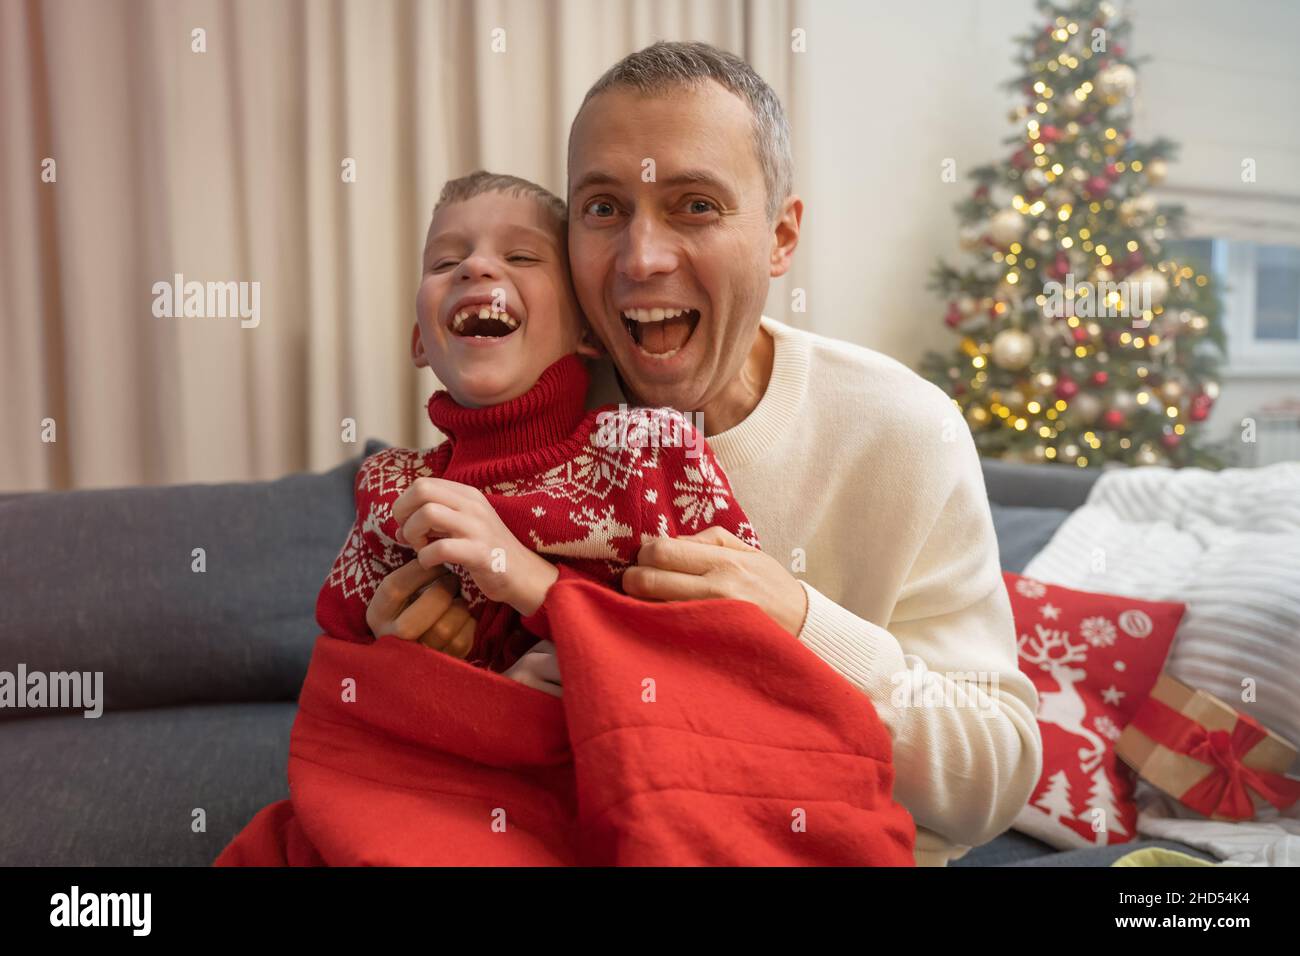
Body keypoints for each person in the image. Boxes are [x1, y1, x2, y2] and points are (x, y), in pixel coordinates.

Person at [367, 42, 1043, 867]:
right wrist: (422, 655)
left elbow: (996, 776)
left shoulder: (903, 429)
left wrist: (798, 625)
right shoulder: (532, 405)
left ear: (780, 236)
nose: (641, 258)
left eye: (694, 205)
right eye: (603, 209)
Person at [315, 169, 759, 679]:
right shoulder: (388, 488)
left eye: (521, 256)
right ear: (420, 340)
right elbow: (337, 699)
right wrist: (401, 661)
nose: (475, 266)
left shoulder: (651, 452)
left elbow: (742, 652)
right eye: (446, 262)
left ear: (588, 333)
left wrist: (540, 590)